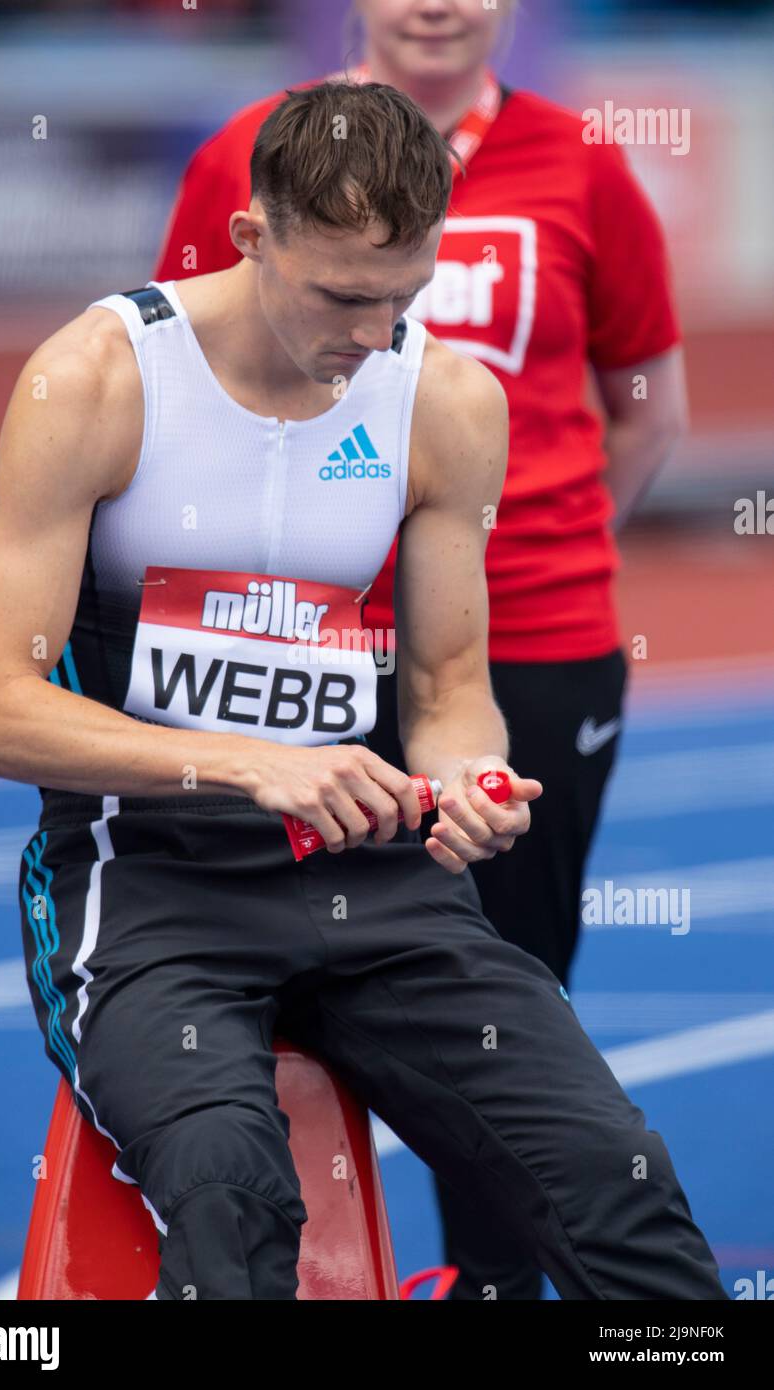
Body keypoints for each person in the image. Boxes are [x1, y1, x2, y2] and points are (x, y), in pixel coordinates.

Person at [0, 82, 724, 1302]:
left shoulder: (449, 403)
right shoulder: (98, 378)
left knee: (611, 1177)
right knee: (233, 1193)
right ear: (252, 236)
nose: (377, 334)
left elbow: (447, 685)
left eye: (405, 295)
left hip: (374, 883)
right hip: (152, 890)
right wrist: (247, 759)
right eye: (342, 295)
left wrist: (465, 778)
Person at [153, 0, 690, 1299]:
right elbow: (173, 363)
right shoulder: (248, 149)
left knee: (496, 1000)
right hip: (302, 635)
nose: (437, 2)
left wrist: (524, 553)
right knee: (259, 971)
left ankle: (494, 1283)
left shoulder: (582, 161)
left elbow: (646, 403)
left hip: (533, 638)